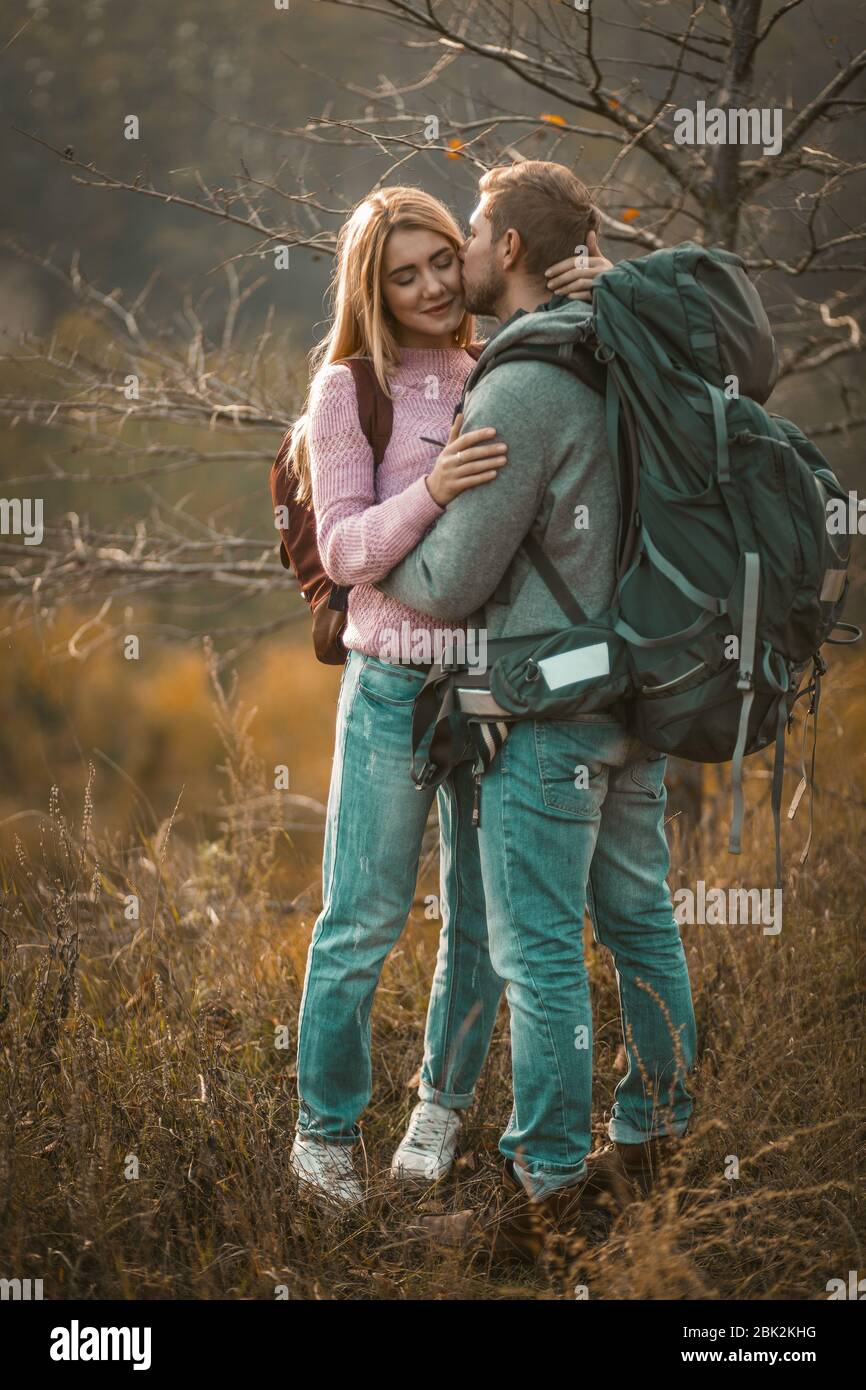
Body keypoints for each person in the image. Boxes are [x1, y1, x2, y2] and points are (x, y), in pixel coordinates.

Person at [375, 160, 697, 1243]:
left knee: (540, 951)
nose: (458, 255)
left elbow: (451, 582)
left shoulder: (520, 385)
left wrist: (371, 556)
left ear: (506, 247)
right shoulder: (622, 351)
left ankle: (549, 1187)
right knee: (643, 923)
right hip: (636, 700)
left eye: (469, 234)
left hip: (543, 713)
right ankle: (655, 1136)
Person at [286, 184, 611, 1205]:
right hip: (390, 688)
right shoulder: (348, 389)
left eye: (440, 260)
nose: (430, 285)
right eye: (403, 272)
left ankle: (438, 1105)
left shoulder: (497, 370)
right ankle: (322, 1129)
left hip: (485, 686)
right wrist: (432, 489)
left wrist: (606, 292)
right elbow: (342, 550)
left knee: (474, 921)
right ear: (371, 289)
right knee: (361, 919)